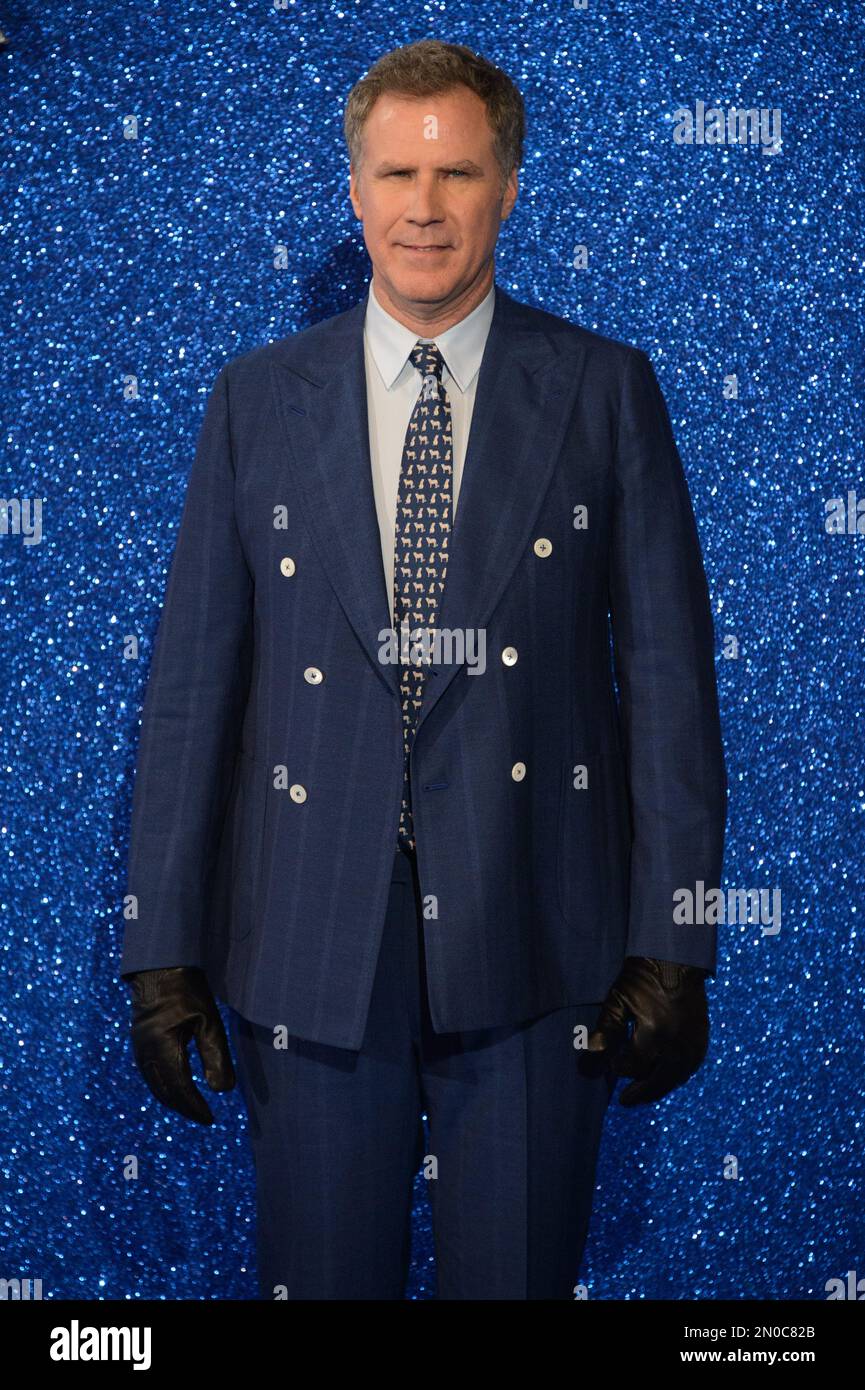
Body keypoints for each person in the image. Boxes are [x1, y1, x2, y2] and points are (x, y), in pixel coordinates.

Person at [120, 38, 727, 1300]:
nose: (424, 206)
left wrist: (679, 941)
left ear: (510, 186)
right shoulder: (255, 400)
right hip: (306, 941)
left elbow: (670, 685)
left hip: (536, 939)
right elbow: (192, 692)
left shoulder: (606, 390)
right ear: (354, 191)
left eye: (457, 172)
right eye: (396, 171)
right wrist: (161, 951)